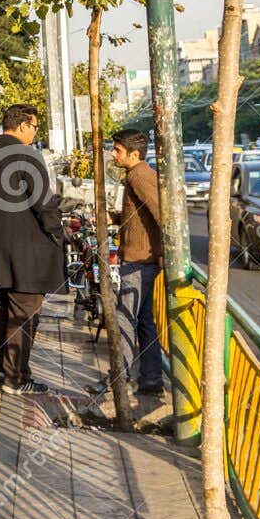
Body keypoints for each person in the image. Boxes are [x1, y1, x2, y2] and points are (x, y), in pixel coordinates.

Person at [0, 104, 64, 394]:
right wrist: (57, 233)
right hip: (27, 249)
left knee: (4, 303)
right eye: (34, 126)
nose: (35, 132)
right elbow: (43, 203)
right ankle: (16, 377)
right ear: (22, 125)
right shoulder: (26, 155)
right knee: (25, 310)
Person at [91, 128, 165, 396]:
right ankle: (150, 378)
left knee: (125, 318)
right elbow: (142, 215)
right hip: (141, 258)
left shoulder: (140, 176)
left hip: (140, 260)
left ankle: (121, 378)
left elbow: (161, 214)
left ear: (134, 154)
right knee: (144, 321)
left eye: (118, 150)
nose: (113, 154)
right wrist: (116, 217)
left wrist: (162, 253)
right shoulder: (137, 174)